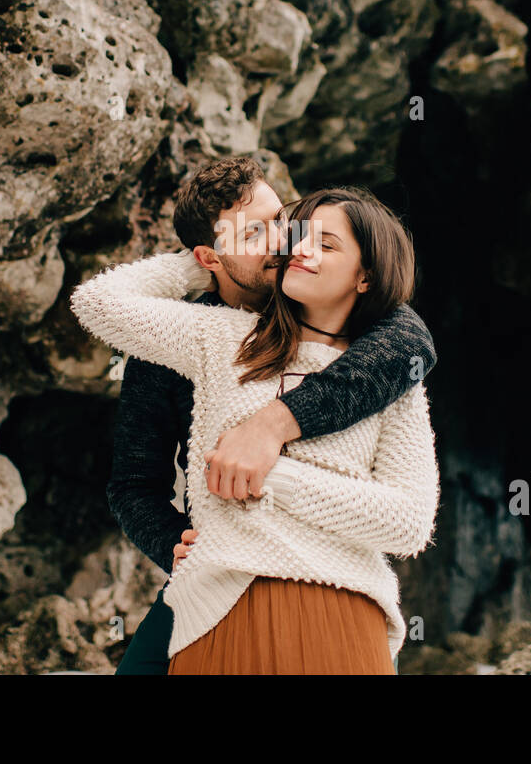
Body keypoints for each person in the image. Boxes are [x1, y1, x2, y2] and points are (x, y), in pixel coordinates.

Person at [72, 181, 441, 673]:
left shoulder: (390, 365)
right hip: (221, 580)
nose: (285, 245)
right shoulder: (216, 336)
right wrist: (198, 261)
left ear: (365, 276)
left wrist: (267, 465)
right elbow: (97, 303)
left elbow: (409, 521)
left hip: (346, 596)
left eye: (284, 227)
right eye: (257, 235)